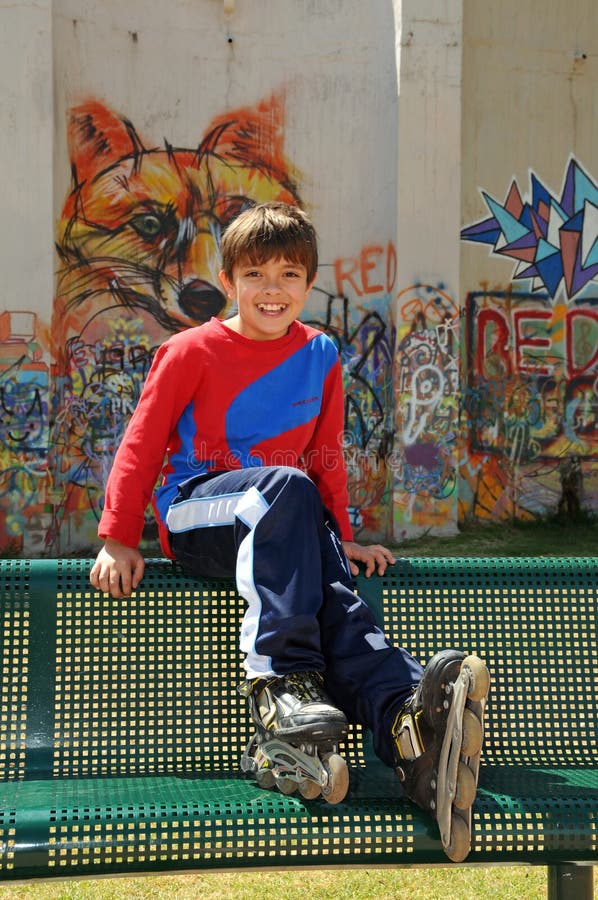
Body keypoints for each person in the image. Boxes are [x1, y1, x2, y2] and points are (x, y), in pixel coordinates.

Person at [90, 201, 489, 862]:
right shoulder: (189, 351)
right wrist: (117, 535)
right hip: (197, 510)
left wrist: (344, 533)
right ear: (228, 282)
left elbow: (324, 454)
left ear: (308, 284)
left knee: (329, 572)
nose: (271, 289)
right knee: (284, 490)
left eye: (288, 274)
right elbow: (140, 444)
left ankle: (405, 722)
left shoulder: (321, 354)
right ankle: (282, 693)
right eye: (255, 274)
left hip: (282, 513)